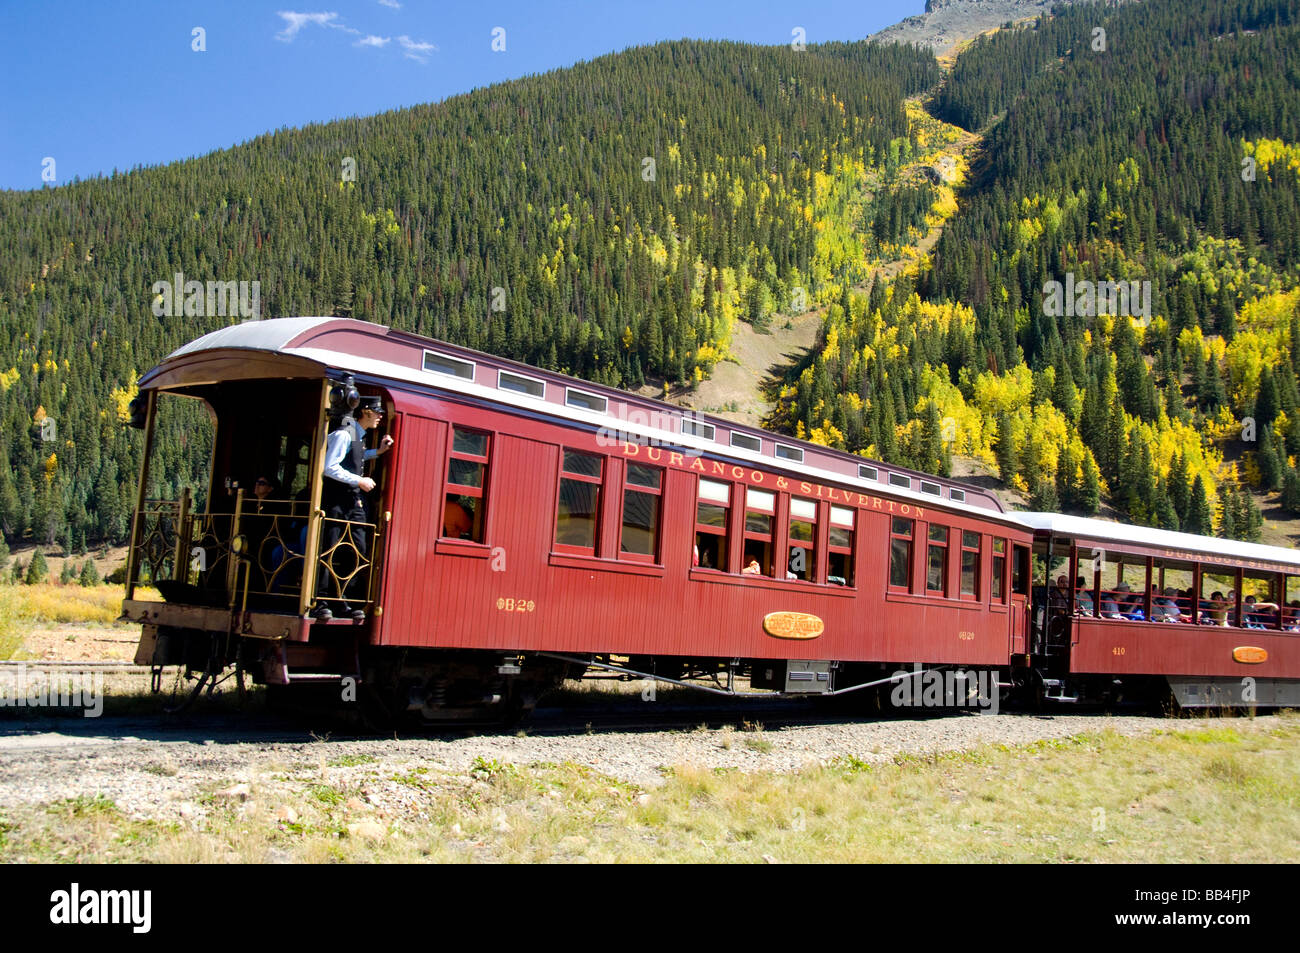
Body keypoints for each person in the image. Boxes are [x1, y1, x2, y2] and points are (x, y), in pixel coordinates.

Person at [314, 396, 394, 622]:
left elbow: (355, 456)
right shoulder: (343, 434)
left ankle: (345, 600)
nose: (380, 417)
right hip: (337, 501)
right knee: (328, 550)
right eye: (377, 412)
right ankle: (321, 601)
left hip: (351, 502)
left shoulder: (358, 435)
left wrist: (377, 453)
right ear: (366, 412)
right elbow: (330, 467)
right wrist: (359, 481)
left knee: (357, 549)